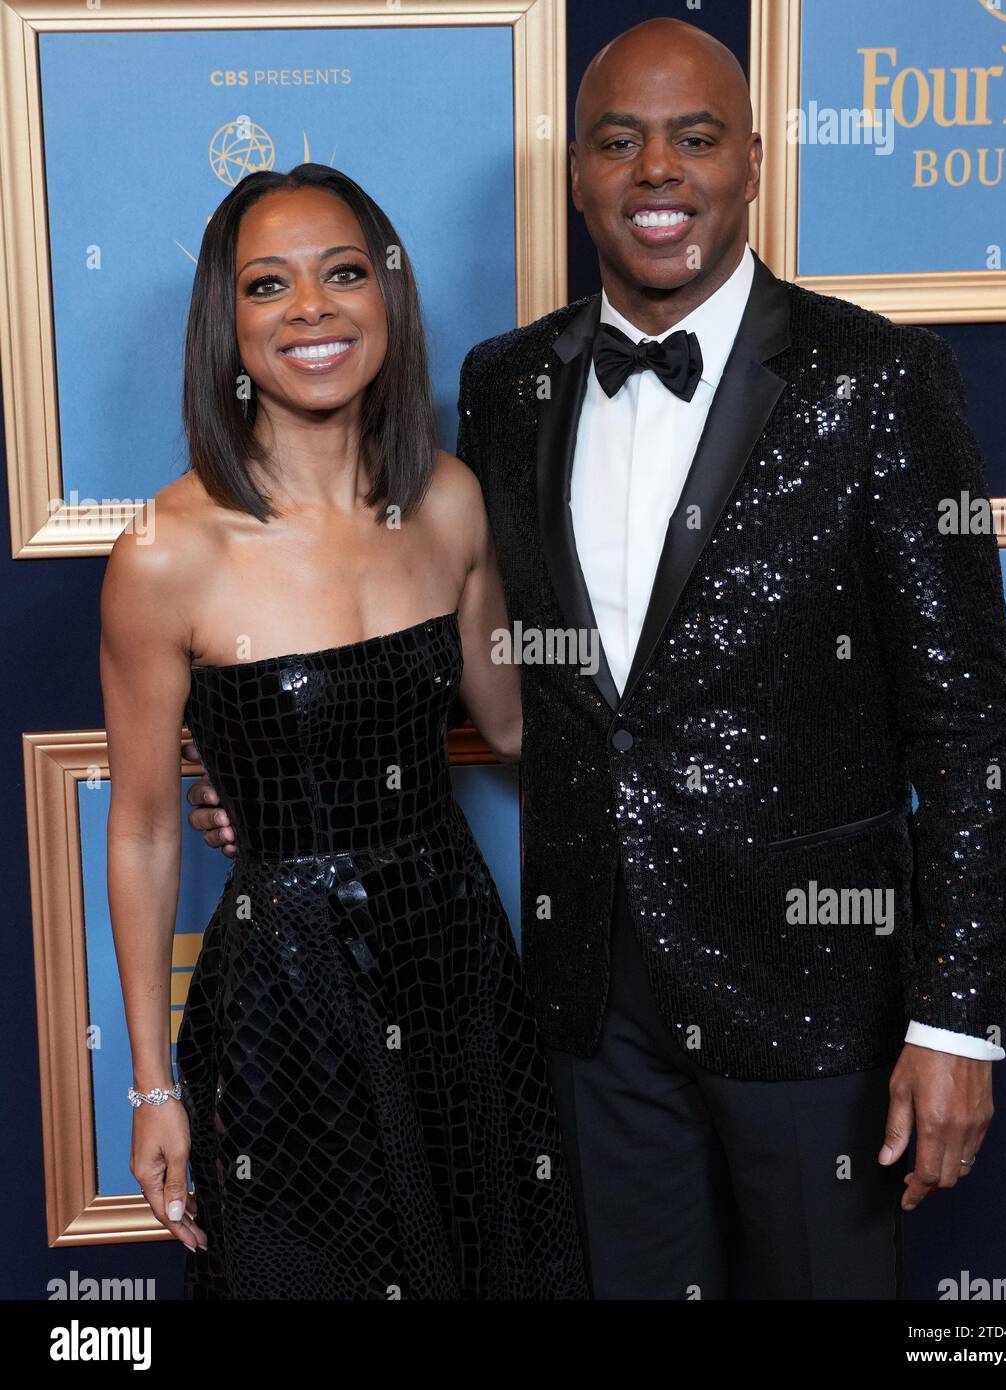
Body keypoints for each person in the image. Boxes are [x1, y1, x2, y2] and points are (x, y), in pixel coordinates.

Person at [189, 21, 1006, 1300]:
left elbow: (964, 732)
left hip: (811, 998)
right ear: (573, 173)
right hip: (584, 1007)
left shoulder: (880, 380)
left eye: (694, 139)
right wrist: (285, 769)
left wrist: (953, 1016)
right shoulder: (507, 382)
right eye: (618, 141)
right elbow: (467, 658)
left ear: (751, 162)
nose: (656, 172)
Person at [103, 163, 589, 1299]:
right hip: (284, 1006)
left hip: (457, 967)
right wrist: (150, 1089)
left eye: (343, 273)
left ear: (389, 297)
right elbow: (138, 833)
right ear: (226, 325)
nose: (312, 309)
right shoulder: (167, 552)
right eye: (269, 286)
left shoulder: (452, 501)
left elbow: (515, 724)